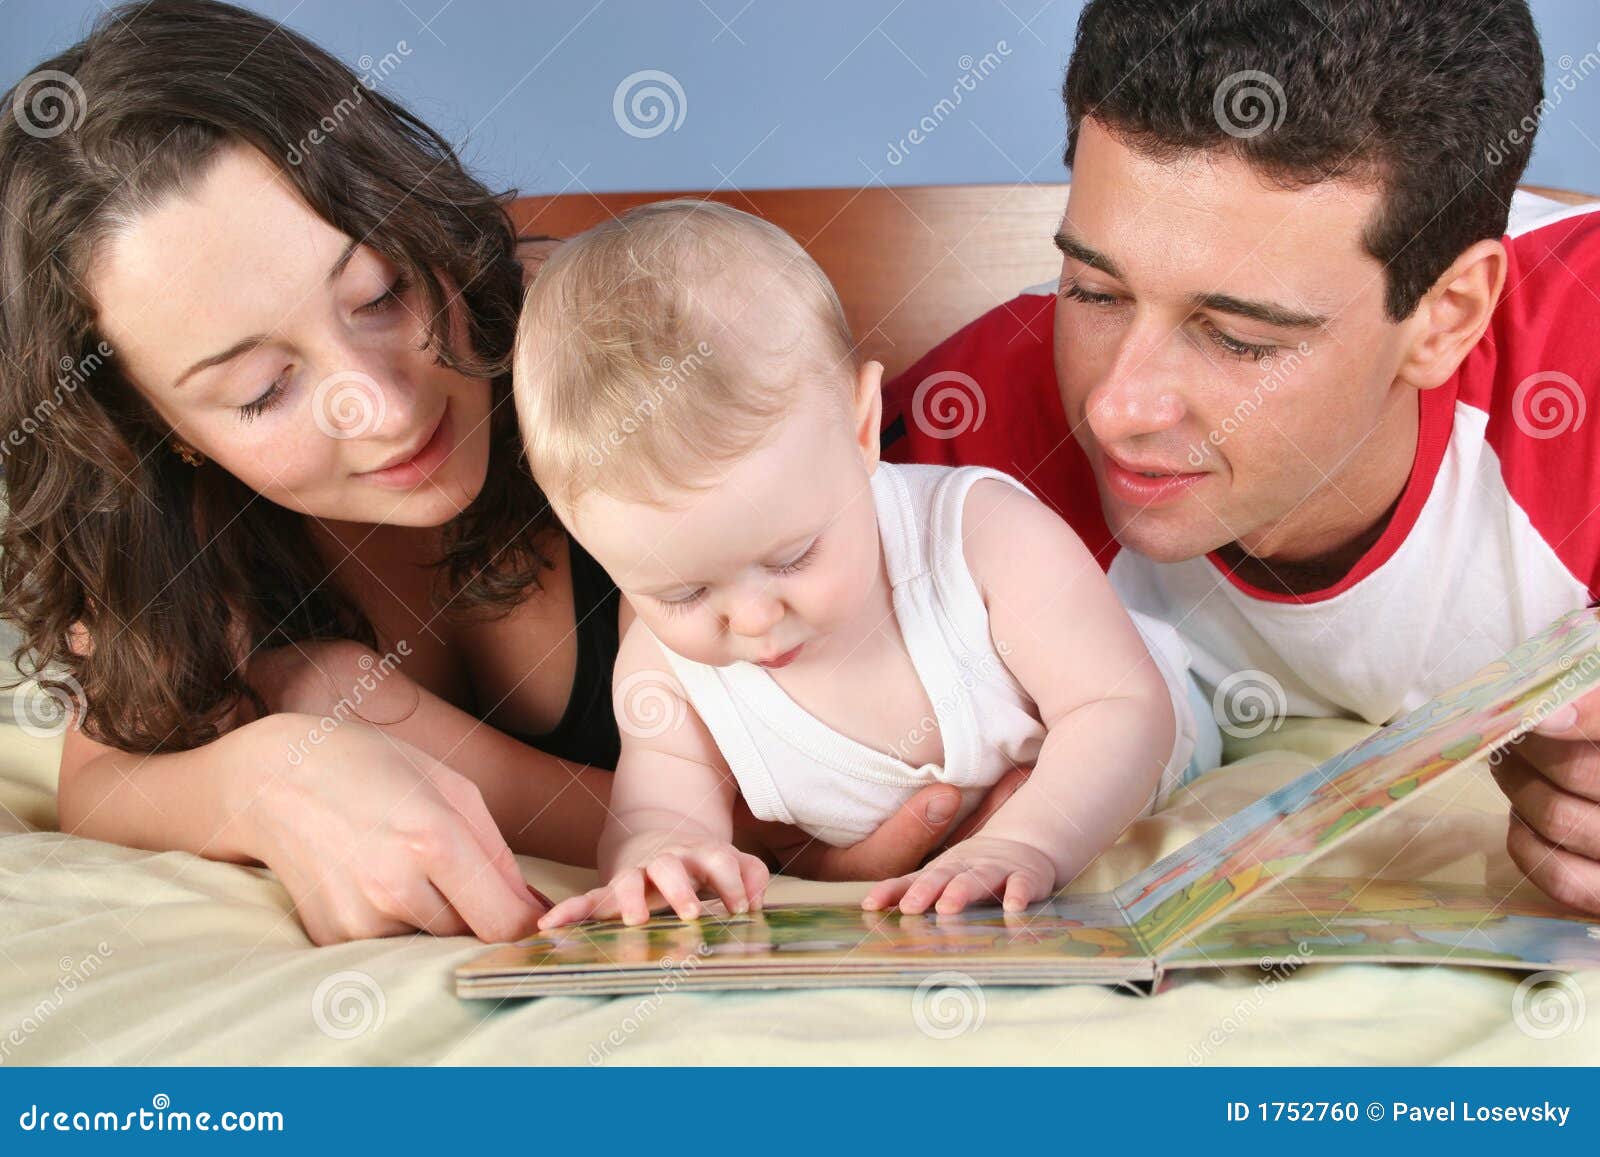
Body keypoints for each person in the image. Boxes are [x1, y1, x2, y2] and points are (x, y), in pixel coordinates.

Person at [0, 0, 1001, 947]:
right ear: (149, 423)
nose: (385, 407)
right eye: (263, 390)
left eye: (383, 292)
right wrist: (263, 773)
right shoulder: (176, 530)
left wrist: (345, 704)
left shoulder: (610, 360)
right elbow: (103, 773)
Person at [883, 0, 1600, 912]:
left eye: (1238, 337)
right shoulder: (963, 434)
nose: (1115, 406)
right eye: (1095, 291)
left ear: (1448, 315)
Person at [513, 200, 1218, 926]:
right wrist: (660, 858)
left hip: (1142, 737)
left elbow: (1121, 709)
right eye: (684, 592)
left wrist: (1026, 841)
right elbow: (659, 809)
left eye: (792, 556)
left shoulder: (981, 536)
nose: (754, 618)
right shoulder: (664, 673)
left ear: (860, 429)